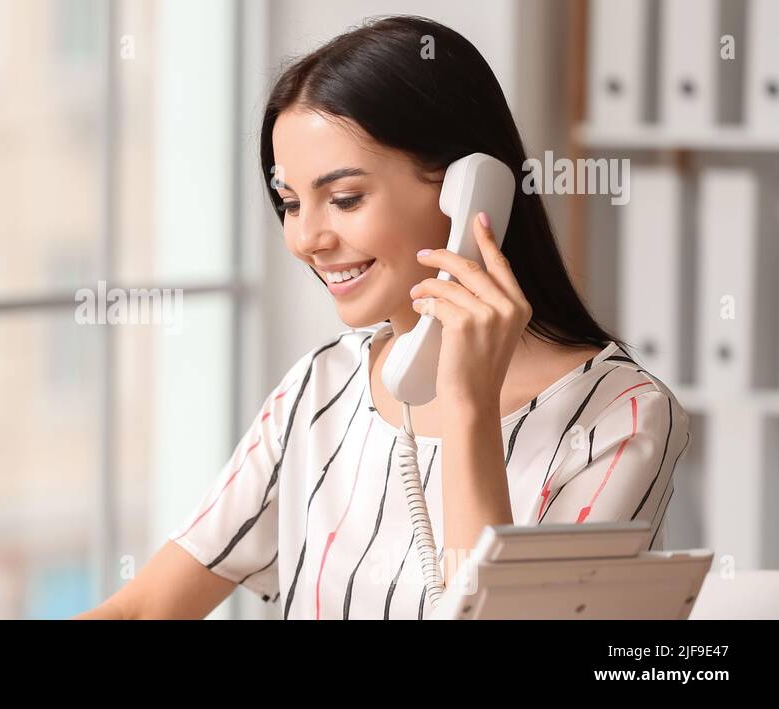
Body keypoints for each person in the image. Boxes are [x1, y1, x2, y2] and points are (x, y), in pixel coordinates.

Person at [74, 15, 689, 620]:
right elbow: (143, 610)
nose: (307, 239)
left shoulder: (624, 416)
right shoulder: (320, 386)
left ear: (472, 191)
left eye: (344, 199)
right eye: (290, 203)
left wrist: (467, 406)